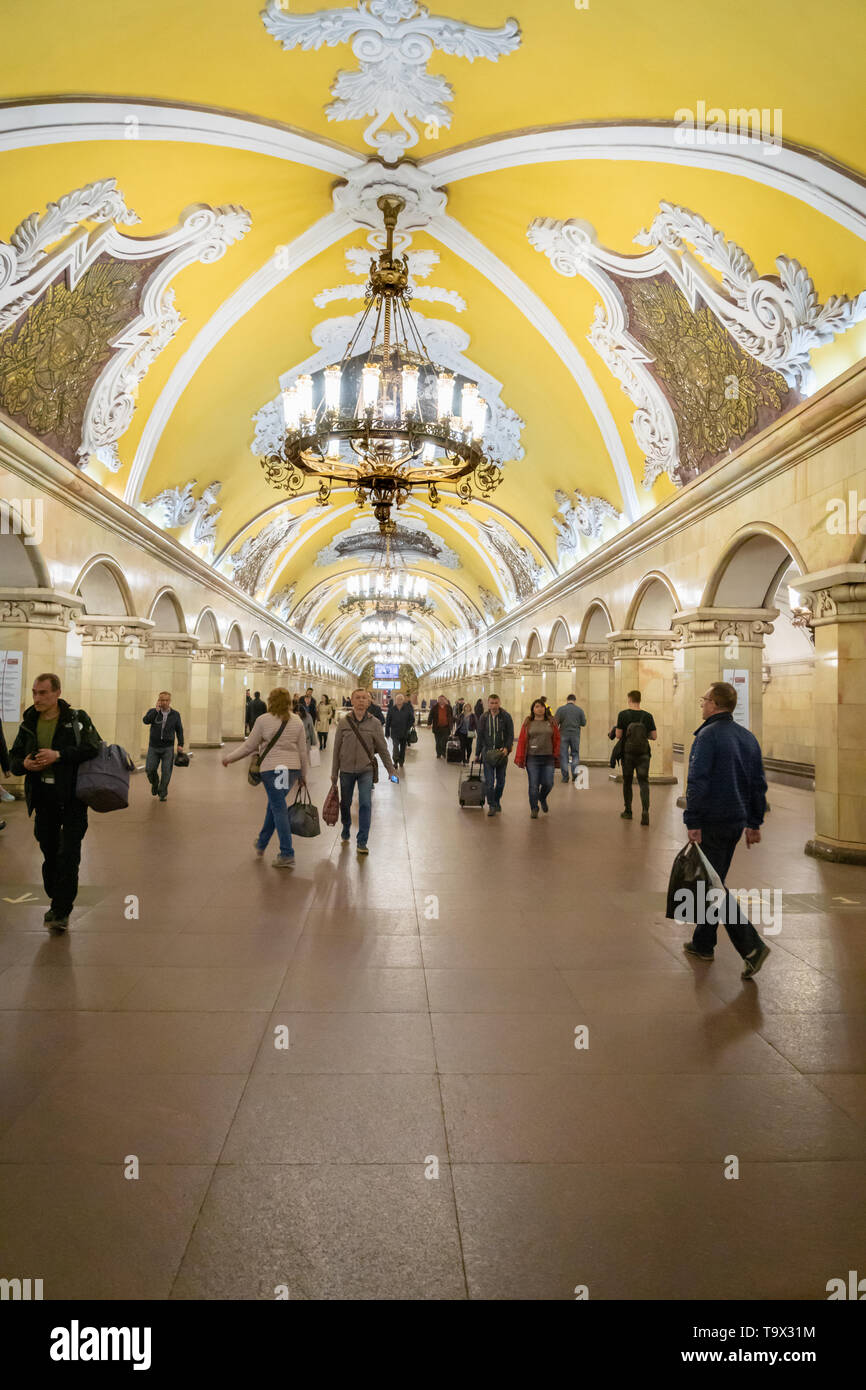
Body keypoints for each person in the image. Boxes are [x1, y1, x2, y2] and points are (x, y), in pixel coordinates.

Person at [682, 682, 771, 980]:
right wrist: (754, 822)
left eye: (704, 699)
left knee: (714, 887)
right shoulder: (747, 738)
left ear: (715, 704)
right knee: (713, 880)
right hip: (735, 821)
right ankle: (703, 942)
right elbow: (758, 783)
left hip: (711, 822)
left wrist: (693, 820)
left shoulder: (707, 736)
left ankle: (752, 946)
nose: (702, 704)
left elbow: (698, 781)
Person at [8, 672, 101, 931]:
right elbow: (14, 757)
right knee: (49, 852)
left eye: (43, 693)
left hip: (72, 797)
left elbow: (93, 747)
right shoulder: (29, 721)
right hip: (43, 798)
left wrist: (58, 755)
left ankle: (61, 911)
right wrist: (24, 764)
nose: (37, 698)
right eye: (35, 693)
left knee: (69, 854)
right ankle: (56, 896)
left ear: (57, 693)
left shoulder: (76, 719)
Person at [222, 687, 309, 868]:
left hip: (273, 769)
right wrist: (303, 774)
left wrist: (229, 758)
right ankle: (261, 843)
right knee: (275, 805)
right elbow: (303, 750)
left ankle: (287, 853)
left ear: (271, 701)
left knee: (278, 808)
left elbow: (249, 747)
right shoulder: (297, 721)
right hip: (289, 769)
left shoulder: (263, 720)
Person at [330, 688, 398, 855]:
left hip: (366, 770)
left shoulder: (374, 723)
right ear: (352, 701)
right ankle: (346, 826)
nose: (361, 701)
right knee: (345, 804)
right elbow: (336, 749)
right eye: (357, 698)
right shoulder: (344, 722)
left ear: (368, 702)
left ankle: (362, 841)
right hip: (345, 770)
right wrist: (334, 772)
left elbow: (382, 749)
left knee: (366, 804)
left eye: (364, 699)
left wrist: (391, 770)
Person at [615, 689, 657, 825]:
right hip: (644, 754)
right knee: (644, 782)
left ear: (629, 699)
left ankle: (628, 811)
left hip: (628, 754)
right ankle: (645, 811)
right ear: (640, 700)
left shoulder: (623, 715)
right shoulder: (647, 716)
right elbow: (654, 736)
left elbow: (618, 735)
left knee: (627, 782)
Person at [514, 698, 561, 817]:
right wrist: (520, 756)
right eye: (537, 707)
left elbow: (557, 738)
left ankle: (542, 797)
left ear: (545, 709)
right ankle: (534, 808)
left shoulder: (551, 722)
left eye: (542, 706)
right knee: (533, 785)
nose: (540, 709)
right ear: (533, 709)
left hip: (548, 757)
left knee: (548, 783)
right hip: (532, 758)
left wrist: (557, 753)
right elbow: (522, 740)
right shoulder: (528, 723)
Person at [475, 693, 514, 816]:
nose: (494, 705)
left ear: (499, 703)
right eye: (491, 703)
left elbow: (510, 734)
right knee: (489, 782)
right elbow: (480, 736)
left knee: (501, 781)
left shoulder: (506, 716)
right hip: (487, 753)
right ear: (488, 703)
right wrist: (477, 753)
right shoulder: (484, 717)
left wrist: (507, 748)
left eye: (496, 703)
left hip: (501, 753)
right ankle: (491, 804)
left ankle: (497, 800)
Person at [142, 691, 185, 802]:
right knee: (150, 769)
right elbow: (145, 721)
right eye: (162, 700)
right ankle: (155, 783)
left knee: (166, 771)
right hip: (154, 746)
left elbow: (179, 730)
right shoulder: (153, 712)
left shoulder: (175, 714)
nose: (164, 702)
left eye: (166, 700)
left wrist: (180, 744)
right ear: (158, 701)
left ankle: (162, 792)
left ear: (170, 701)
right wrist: (156, 711)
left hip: (168, 748)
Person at [554, 693, 587, 784]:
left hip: (563, 734)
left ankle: (565, 777)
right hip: (575, 734)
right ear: (574, 700)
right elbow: (583, 723)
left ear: (567, 700)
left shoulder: (561, 709)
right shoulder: (579, 710)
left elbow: (555, 723)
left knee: (563, 755)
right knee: (575, 754)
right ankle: (575, 775)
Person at [385, 690, 415, 768]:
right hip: (394, 732)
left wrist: (408, 727)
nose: (399, 701)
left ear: (403, 700)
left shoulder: (407, 708)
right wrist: (387, 733)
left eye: (400, 699)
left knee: (402, 748)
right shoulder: (392, 709)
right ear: (395, 700)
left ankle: (401, 761)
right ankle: (395, 761)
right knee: (395, 747)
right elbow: (387, 721)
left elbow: (412, 719)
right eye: (397, 699)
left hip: (404, 732)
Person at [427, 694, 453, 758]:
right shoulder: (434, 707)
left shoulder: (449, 707)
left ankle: (443, 753)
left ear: (445, 700)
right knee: (438, 742)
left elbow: (451, 716)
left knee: (444, 741)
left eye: (443, 699)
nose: (441, 701)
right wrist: (429, 724)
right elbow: (430, 716)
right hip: (437, 727)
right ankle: (438, 753)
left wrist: (452, 724)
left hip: (446, 727)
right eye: (440, 699)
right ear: (438, 700)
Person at [455, 699, 476, 764]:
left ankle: (468, 758)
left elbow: (476, 724)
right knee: (462, 746)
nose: (467, 708)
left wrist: (476, 733)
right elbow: (458, 723)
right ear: (464, 708)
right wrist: (457, 730)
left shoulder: (473, 715)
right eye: (466, 707)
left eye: (468, 707)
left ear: (470, 708)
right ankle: (463, 759)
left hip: (470, 733)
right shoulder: (461, 715)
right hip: (462, 732)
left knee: (469, 747)